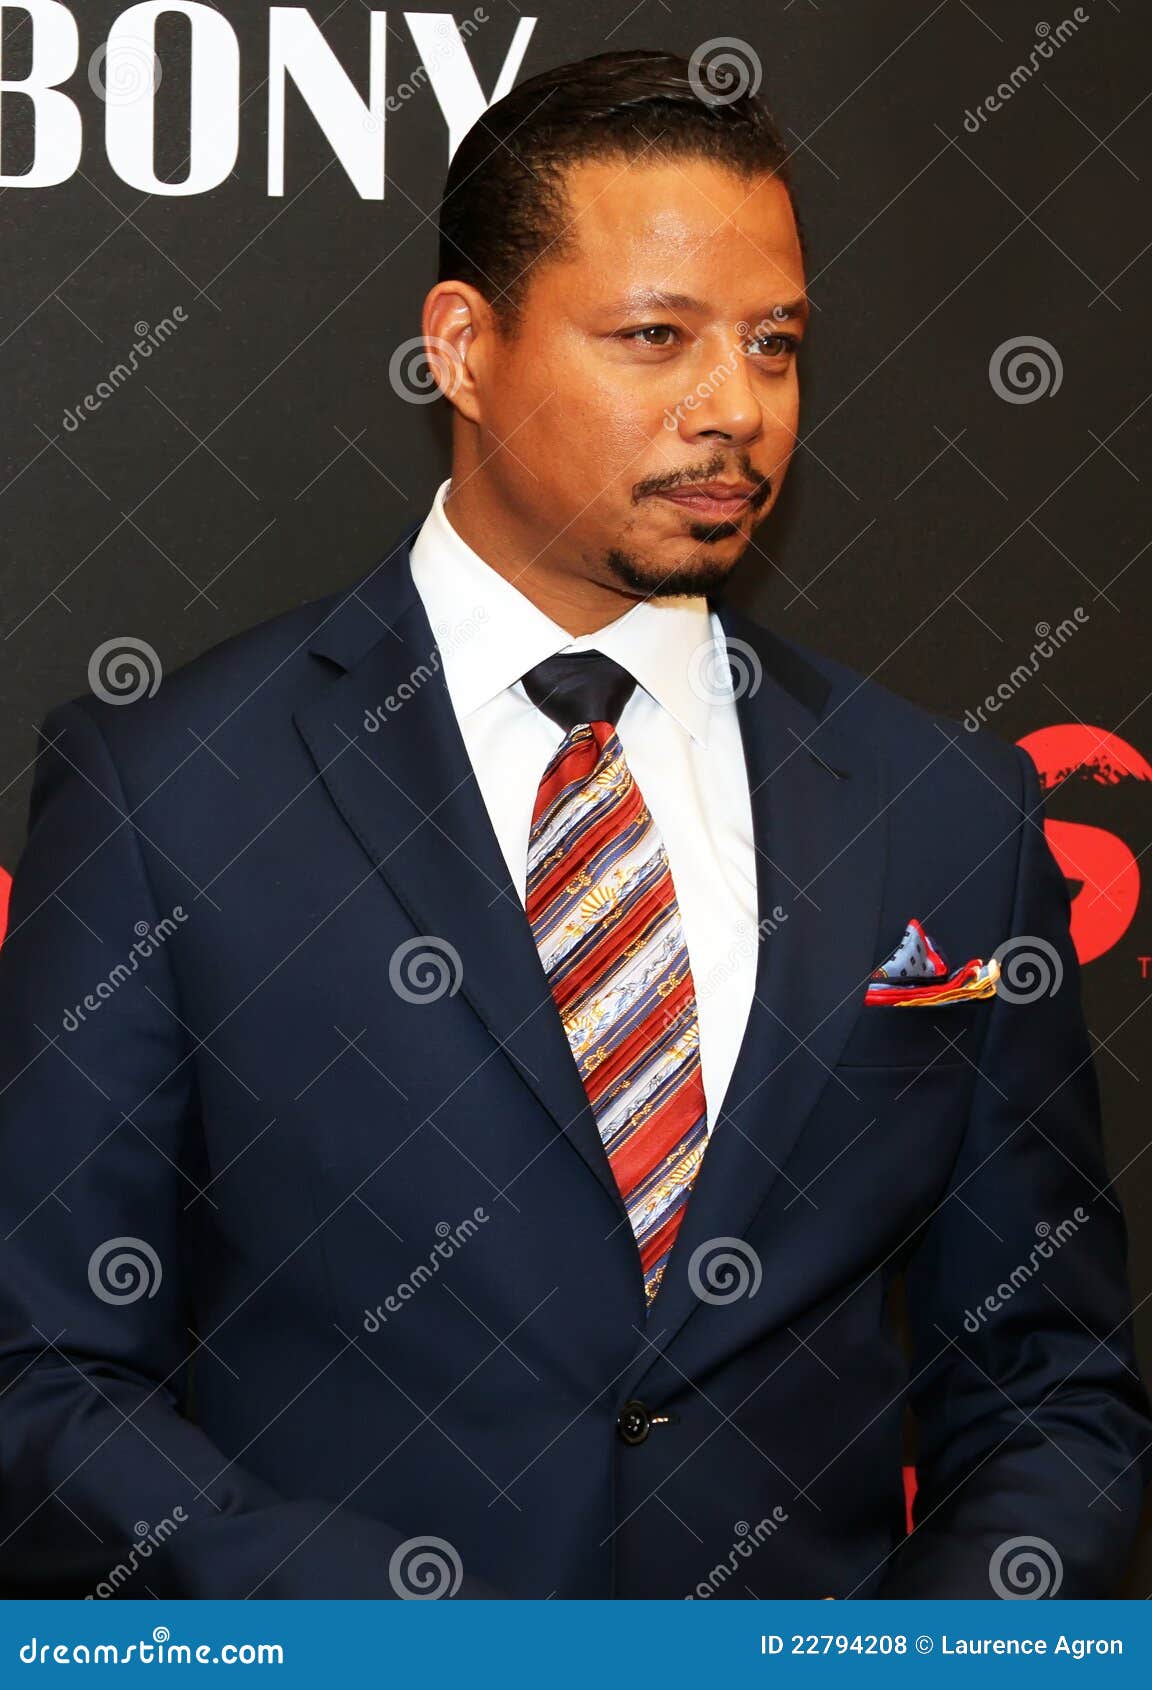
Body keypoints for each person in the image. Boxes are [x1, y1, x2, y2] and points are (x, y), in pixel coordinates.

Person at [0, 47, 1147, 1602]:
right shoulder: (171, 788)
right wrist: (384, 1636)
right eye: (656, 337)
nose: (734, 408)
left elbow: (1051, 1386)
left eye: (774, 344)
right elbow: (45, 1370)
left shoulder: (948, 809)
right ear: (464, 348)